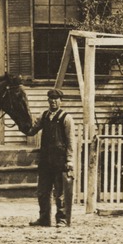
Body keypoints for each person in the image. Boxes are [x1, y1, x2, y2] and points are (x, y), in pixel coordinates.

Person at [26, 89, 74, 227]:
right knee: (42, 191)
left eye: (56, 99)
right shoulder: (44, 116)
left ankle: (62, 219)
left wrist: (70, 160)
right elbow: (32, 130)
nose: (53, 101)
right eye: (51, 99)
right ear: (48, 100)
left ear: (60, 101)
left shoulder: (66, 118)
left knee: (60, 192)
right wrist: (22, 123)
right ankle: (44, 218)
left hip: (60, 160)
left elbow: (71, 141)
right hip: (45, 160)